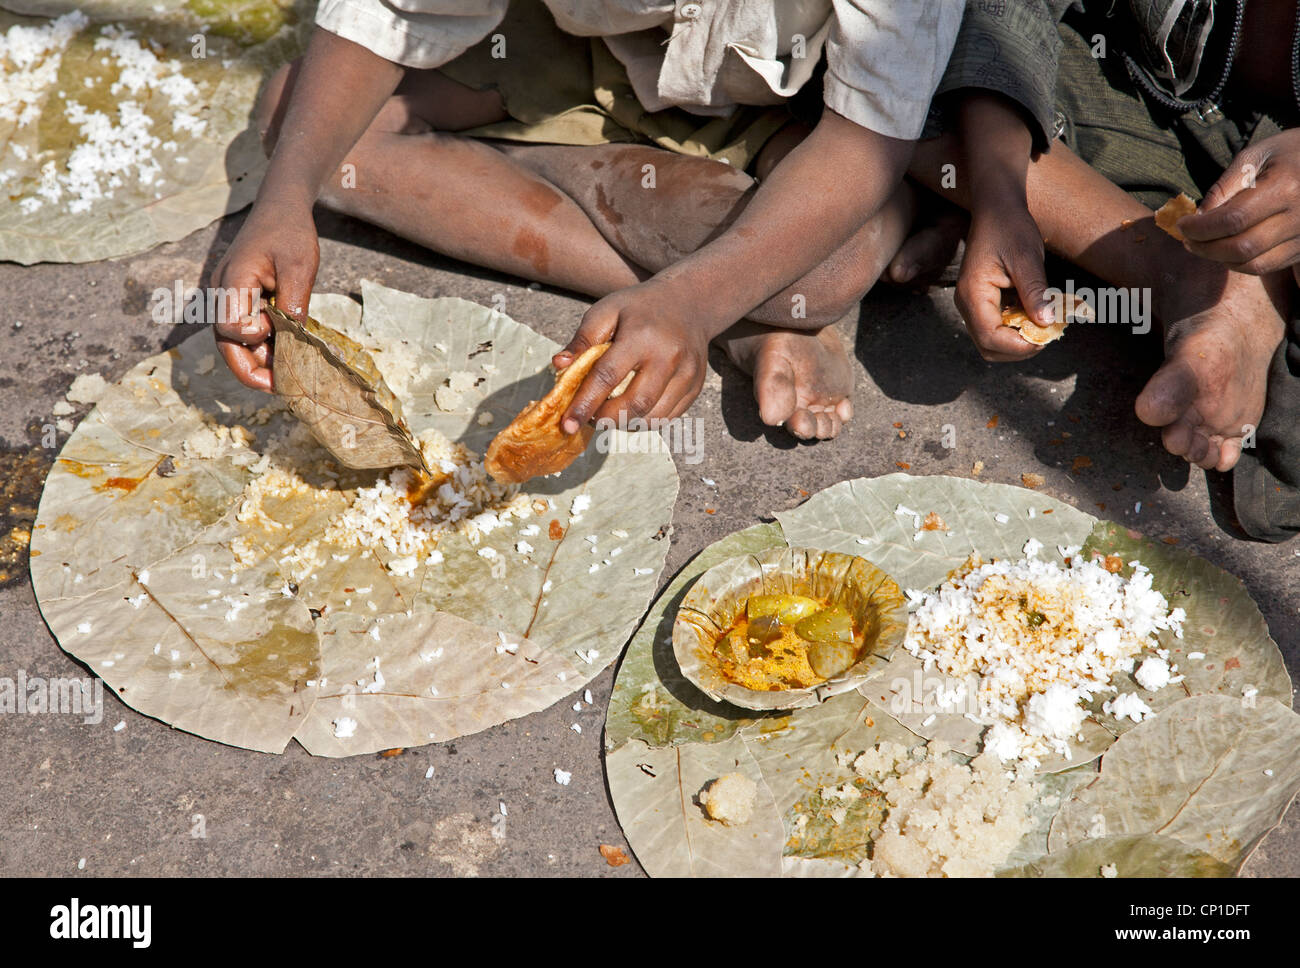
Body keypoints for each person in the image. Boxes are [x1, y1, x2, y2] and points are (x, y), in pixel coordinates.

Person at [212, 0, 963, 442]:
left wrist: (692, 302)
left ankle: (721, 290)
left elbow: (863, 136)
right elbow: (392, 14)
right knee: (296, 124)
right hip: (576, 52)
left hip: (790, 110)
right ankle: (738, 306)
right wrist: (283, 203)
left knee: (822, 275)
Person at [917, 0, 1299, 541]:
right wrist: (1001, 196)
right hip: (1132, 88)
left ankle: (1263, 276)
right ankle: (1183, 271)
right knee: (889, 58)